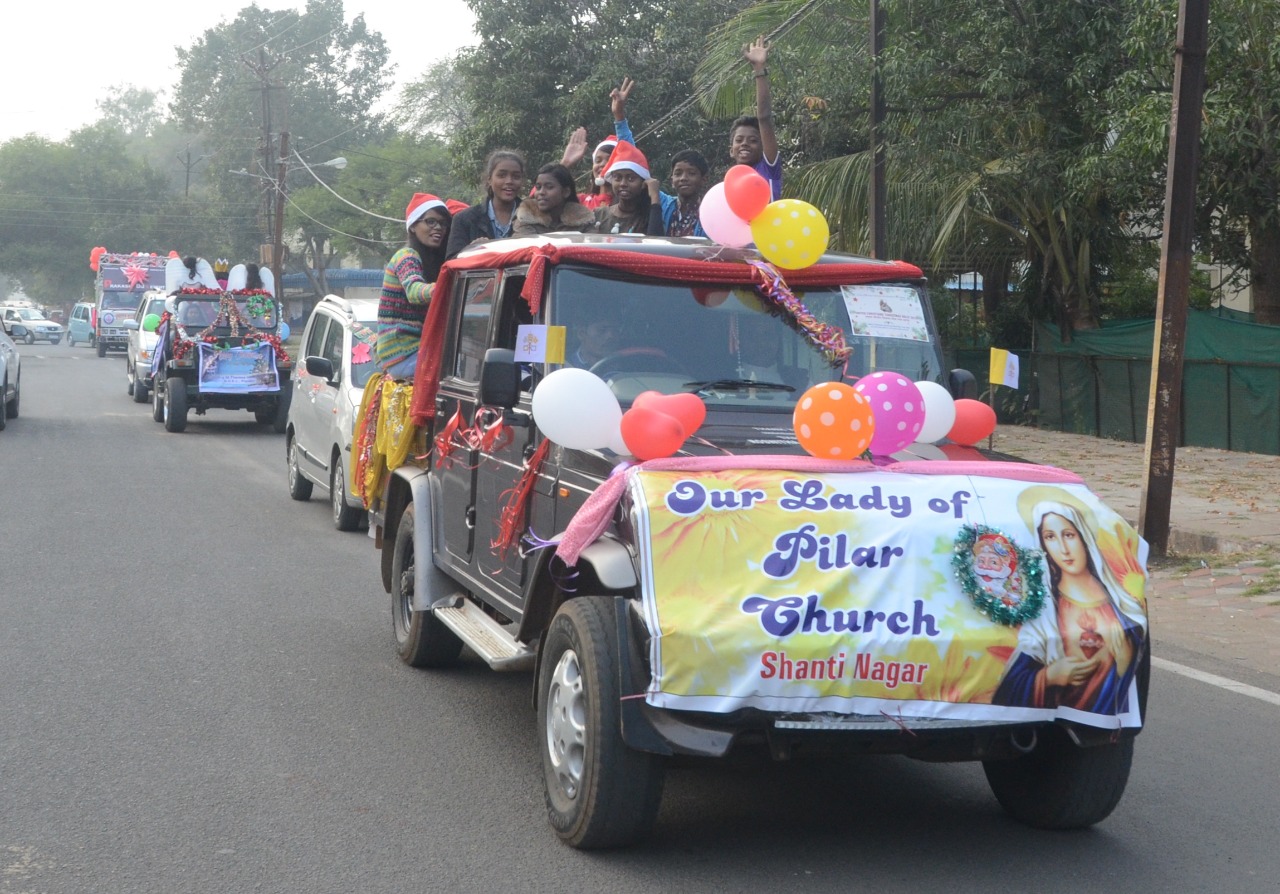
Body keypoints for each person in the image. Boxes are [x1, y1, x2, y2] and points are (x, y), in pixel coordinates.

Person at [992, 501, 1148, 714]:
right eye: (1050, 537)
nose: (1063, 549)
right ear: (1043, 545)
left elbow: (1135, 674)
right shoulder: (1044, 607)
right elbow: (1008, 690)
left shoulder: (1120, 602)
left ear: (1083, 537)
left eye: (1068, 535)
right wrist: (1048, 676)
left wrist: (1123, 660)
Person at [378, 193, 452, 378]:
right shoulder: (406, 256)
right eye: (430, 222)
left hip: (419, 351)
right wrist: (449, 287)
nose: (439, 228)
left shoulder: (433, 260)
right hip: (404, 354)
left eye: (443, 223)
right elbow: (414, 290)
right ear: (412, 227)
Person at [729, 36, 783, 200]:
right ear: (731, 150)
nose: (744, 143)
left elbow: (764, 118)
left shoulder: (769, 168)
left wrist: (759, 69)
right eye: (739, 140)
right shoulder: (728, 185)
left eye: (753, 140)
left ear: (763, 147)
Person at [446, 150, 526, 259]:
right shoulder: (465, 219)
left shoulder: (534, 216)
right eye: (501, 175)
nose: (509, 181)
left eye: (516, 176)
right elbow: (451, 262)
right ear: (489, 179)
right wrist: (473, 250)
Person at [581, 78, 638, 211]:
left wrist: (619, 115)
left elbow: (630, 156)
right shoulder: (580, 202)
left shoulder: (629, 203)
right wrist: (565, 163)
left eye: (609, 159)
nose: (601, 164)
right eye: (598, 160)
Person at [514, 164, 597, 236]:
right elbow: (525, 251)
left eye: (549, 187)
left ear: (566, 192)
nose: (541, 192)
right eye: (538, 187)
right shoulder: (526, 217)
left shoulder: (583, 220)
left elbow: (592, 250)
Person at [594, 141, 655, 235]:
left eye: (631, 178)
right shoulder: (598, 214)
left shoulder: (650, 217)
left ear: (643, 183)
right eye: (617, 178)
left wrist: (655, 199)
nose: (623, 183)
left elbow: (655, 245)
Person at [646, 149, 709, 237]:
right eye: (678, 173)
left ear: (704, 179)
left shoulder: (709, 213)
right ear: (672, 180)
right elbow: (635, 166)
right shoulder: (664, 203)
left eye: (691, 173)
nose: (683, 178)